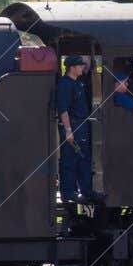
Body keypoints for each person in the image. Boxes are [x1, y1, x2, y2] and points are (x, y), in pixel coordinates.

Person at [54, 56, 93, 221]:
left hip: (81, 125)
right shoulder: (65, 85)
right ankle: (68, 192)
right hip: (73, 125)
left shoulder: (77, 82)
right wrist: (68, 130)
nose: (82, 67)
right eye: (79, 65)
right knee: (70, 160)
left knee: (83, 159)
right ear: (71, 67)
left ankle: (85, 190)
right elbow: (63, 109)